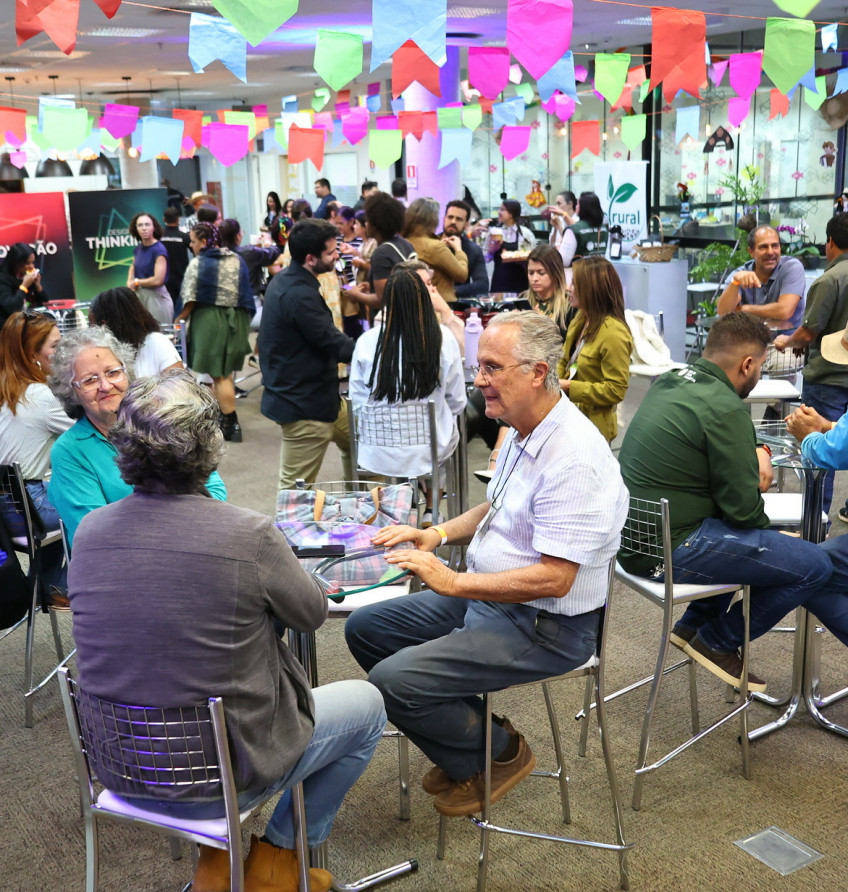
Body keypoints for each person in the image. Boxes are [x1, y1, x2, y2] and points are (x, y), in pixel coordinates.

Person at [68, 370, 385, 892]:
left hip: (118, 764)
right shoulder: (249, 534)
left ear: (124, 449)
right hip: (222, 770)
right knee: (368, 705)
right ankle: (279, 858)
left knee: (186, 677)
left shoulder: (92, 531)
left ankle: (222, 856)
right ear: (209, 445)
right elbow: (309, 614)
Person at [345, 311, 628, 817]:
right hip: (495, 602)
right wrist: (435, 533)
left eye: (492, 368)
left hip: (546, 626)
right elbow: (496, 507)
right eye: (480, 367)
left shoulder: (574, 457)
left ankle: (494, 754)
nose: (479, 381)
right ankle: (482, 746)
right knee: (366, 629)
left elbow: (556, 580)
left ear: (537, 372)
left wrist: (454, 582)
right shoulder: (525, 429)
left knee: (393, 682)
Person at [617, 312, 845, 692]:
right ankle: (718, 640)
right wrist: (777, 533)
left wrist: (753, 447)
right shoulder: (727, 407)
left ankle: (692, 625)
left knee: (759, 546)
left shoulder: (671, 381)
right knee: (814, 564)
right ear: (748, 364)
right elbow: (744, 514)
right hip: (675, 551)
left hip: (631, 542)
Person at [47, 326, 227, 548]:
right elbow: (95, 533)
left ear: (127, 372)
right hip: (123, 567)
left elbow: (215, 491)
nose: (105, 386)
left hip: (190, 546)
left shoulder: (160, 420)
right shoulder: (70, 451)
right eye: (90, 380)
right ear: (70, 391)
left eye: (112, 372)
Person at [349, 268, 466, 525]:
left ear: (387, 301)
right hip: (428, 450)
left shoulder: (367, 342)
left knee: (414, 442)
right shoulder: (441, 339)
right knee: (444, 432)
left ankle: (405, 505)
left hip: (376, 451)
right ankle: (431, 507)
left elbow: (356, 402)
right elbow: (458, 400)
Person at [258, 220, 355, 489]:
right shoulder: (299, 294)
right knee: (294, 493)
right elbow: (333, 343)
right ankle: (283, 534)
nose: (337, 255)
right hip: (304, 407)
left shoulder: (286, 280)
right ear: (311, 259)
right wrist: (375, 350)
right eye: (331, 252)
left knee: (363, 444)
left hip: (321, 397)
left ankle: (363, 511)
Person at [773, 214, 848, 517]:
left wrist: (785, 342)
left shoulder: (829, 279)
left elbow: (808, 331)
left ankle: (816, 520)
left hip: (828, 377)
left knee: (818, 448)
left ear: (830, 242)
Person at [0, 310, 71, 605]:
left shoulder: (7, 389)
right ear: (32, 354)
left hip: (7, 517)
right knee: (100, 508)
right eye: (55, 346)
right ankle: (68, 585)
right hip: (31, 512)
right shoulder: (40, 396)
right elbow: (97, 431)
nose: (62, 352)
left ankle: (44, 587)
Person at [176, 223, 254, 443]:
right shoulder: (236, 260)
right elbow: (247, 293)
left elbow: (189, 300)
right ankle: (225, 418)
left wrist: (177, 321)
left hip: (211, 320)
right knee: (226, 374)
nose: (191, 246)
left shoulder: (198, 263)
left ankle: (231, 423)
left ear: (203, 242)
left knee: (218, 376)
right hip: (236, 321)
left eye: (193, 241)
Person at [556, 256, 632, 443]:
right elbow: (564, 359)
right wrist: (553, 382)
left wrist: (569, 387)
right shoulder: (580, 319)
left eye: (574, 284)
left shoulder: (614, 333)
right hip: (566, 416)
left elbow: (615, 390)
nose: (568, 288)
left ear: (590, 289)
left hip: (592, 428)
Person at [716, 225, 806, 335]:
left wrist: (743, 309)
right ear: (751, 251)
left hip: (787, 344)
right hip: (752, 343)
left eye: (775, 246)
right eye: (763, 247)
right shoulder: (740, 274)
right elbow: (723, 313)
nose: (770, 252)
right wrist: (735, 283)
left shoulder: (791, 268)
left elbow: (784, 311)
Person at [89, 287, 183, 378]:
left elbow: (180, 387)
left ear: (105, 325)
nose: (91, 331)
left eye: (92, 325)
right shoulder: (104, 354)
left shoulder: (156, 342)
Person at [345, 191, 414, 310]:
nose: (365, 224)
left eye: (368, 220)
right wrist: (372, 286)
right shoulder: (405, 244)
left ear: (376, 224)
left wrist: (357, 296)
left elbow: (383, 300)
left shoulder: (381, 253)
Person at [402, 198, 468, 303]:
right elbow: (462, 275)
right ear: (433, 220)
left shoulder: (404, 242)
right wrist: (459, 251)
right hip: (440, 306)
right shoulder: (435, 247)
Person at [218, 218, 280, 301]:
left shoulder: (217, 255)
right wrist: (268, 242)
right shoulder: (249, 252)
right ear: (238, 236)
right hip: (251, 300)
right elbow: (273, 253)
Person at [127, 211, 172, 325]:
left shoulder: (159, 250)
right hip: (141, 296)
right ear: (135, 228)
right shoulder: (138, 248)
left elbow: (158, 280)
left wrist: (137, 282)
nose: (144, 228)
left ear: (154, 227)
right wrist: (129, 280)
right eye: (140, 225)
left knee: (160, 334)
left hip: (157, 298)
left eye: (147, 224)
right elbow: (133, 265)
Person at [486, 199, 536, 294]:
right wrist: (492, 250)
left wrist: (523, 261)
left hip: (521, 282)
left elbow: (534, 258)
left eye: (502, 210)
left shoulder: (525, 234)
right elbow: (486, 259)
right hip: (499, 282)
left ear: (511, 214)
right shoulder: (494, 232)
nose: (499, 212)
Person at [441, 199, 489, 299]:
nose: (453, 222)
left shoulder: (473, 250)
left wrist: (452, 291)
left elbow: (482, 284)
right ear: (444, 219)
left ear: (466, 225)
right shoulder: (431, 243)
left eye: (459, 219)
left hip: (459, 305)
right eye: (450, 217)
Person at [523, 244, 571, 338]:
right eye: (531, 273)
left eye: (541, 273)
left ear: (555, 273)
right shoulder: (523, 299)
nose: (534, 278)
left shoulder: (570, 304)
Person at [0, 243, 48, 329]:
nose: (32, 266)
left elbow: (44, 301)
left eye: (33, 262)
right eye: (27, 263)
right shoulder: (3, 278)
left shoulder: (24, 276)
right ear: (16, 262)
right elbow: (12, 307)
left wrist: (37, 285)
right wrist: (24, 286)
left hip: (27, 325)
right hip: (7, 329)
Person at [559, 192, 608, 267]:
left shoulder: (573, 230)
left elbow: (563, 261)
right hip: (600, 273)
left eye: (578, 204)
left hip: (579, 274)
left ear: (584, 208)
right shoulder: (604, 228)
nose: (576, 206)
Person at [160, 206, 192, 316]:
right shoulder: (184, 237)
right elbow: (197, 252)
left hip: (163, 279)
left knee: (166, 309)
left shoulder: (158, 237)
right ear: (178, 219)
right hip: (181, 279)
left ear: (164, 219)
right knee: (181, 309)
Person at [546, 190, 578, 264]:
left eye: (559, 204)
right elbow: (551, 244)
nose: (557, 207)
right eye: (556, 204)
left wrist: (559, 225)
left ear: (570, 204)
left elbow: (569, 240)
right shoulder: (559, 218)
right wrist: (555, 227)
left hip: (572, 260)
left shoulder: (577, 220)